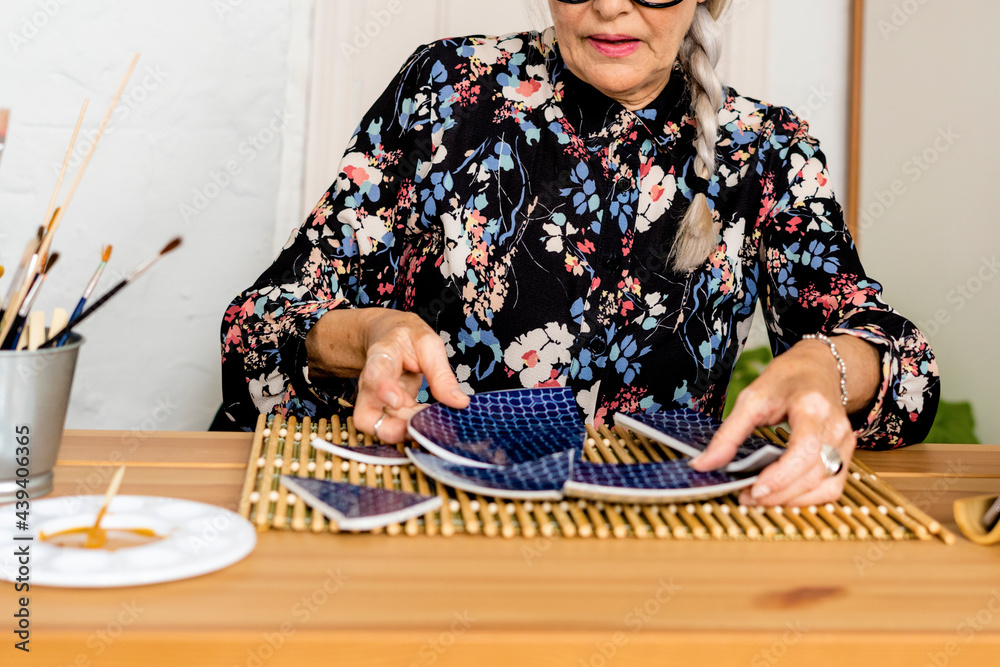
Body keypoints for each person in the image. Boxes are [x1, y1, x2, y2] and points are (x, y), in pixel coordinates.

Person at [218, 0, 939, 506]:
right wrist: (370, 333)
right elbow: (258, 326)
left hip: (660, 550)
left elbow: (905, 367)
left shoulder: (769, 152)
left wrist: (830, 367)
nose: (609, 7)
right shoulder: (442, 92)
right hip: (436, 529)